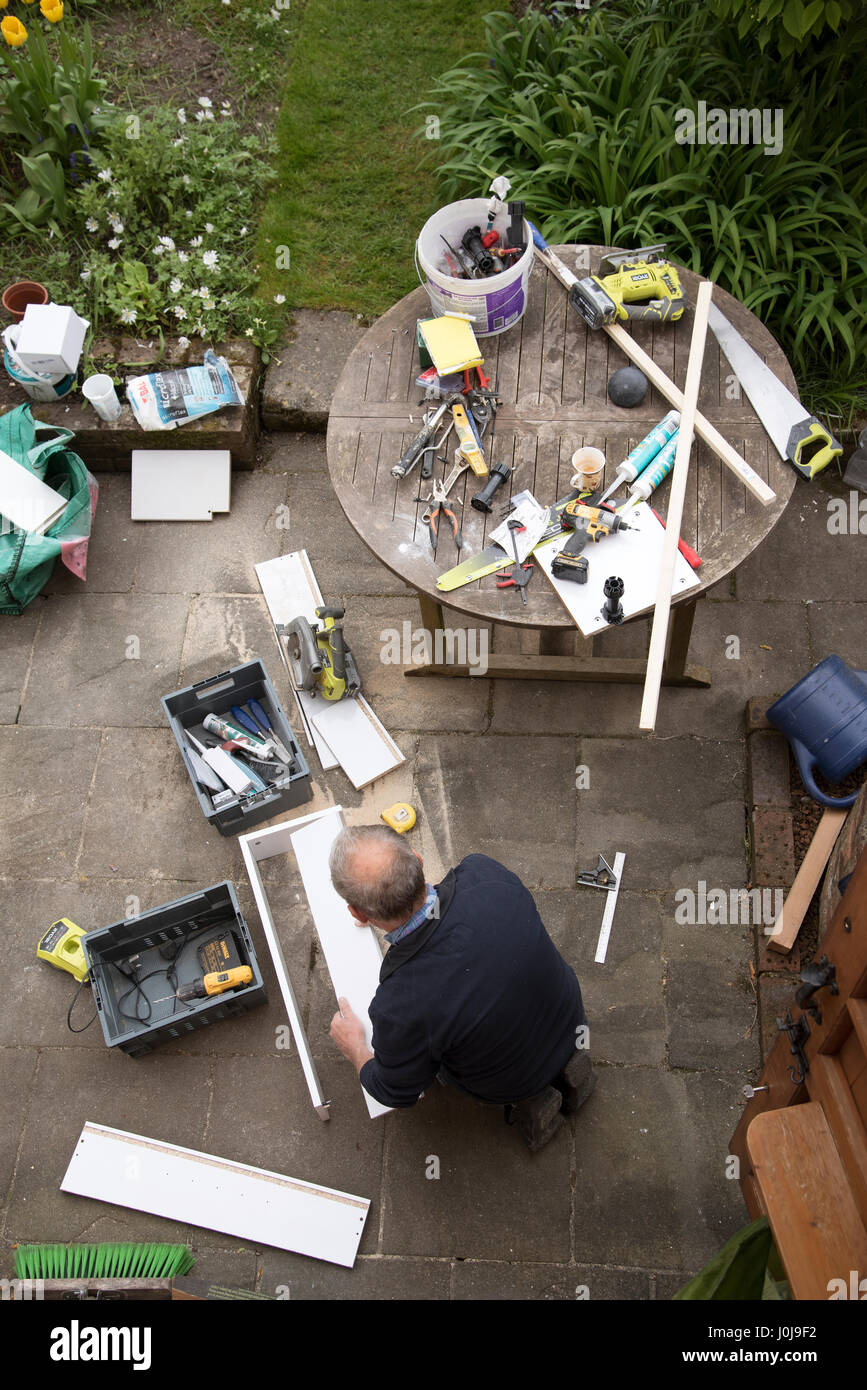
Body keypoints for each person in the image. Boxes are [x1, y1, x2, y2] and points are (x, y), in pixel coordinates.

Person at [327, 824, 594, 1151]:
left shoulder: (401, 1004)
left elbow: (395, 1092)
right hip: (570, 1016)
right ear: (417, 858)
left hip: (510, 1081)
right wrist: (392, 904)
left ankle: (530, 1095)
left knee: (428, 1062)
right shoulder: (484, 873)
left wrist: (355, 1047)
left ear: (356, 913)